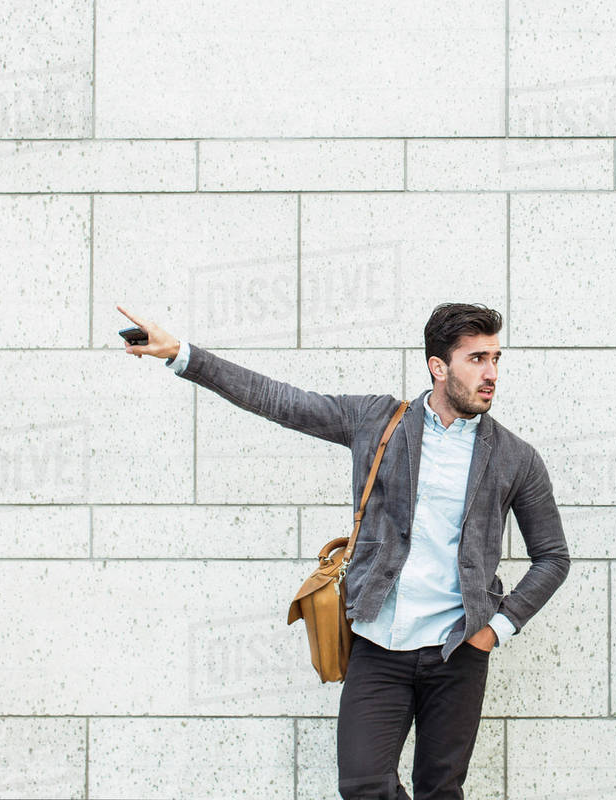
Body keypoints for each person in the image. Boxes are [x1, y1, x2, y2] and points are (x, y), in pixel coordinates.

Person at [118, 302, 570, 800]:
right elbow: (280, 401)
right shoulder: (378, 421)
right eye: (477, 359)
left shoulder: (516, 457)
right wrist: (182, 355)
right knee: (362, 785)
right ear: (438, 367)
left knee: (440, 790)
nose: (491, 374)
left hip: (457, 651)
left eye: (496, 358)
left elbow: (552, 556)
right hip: (379, 644)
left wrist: (495, 629)